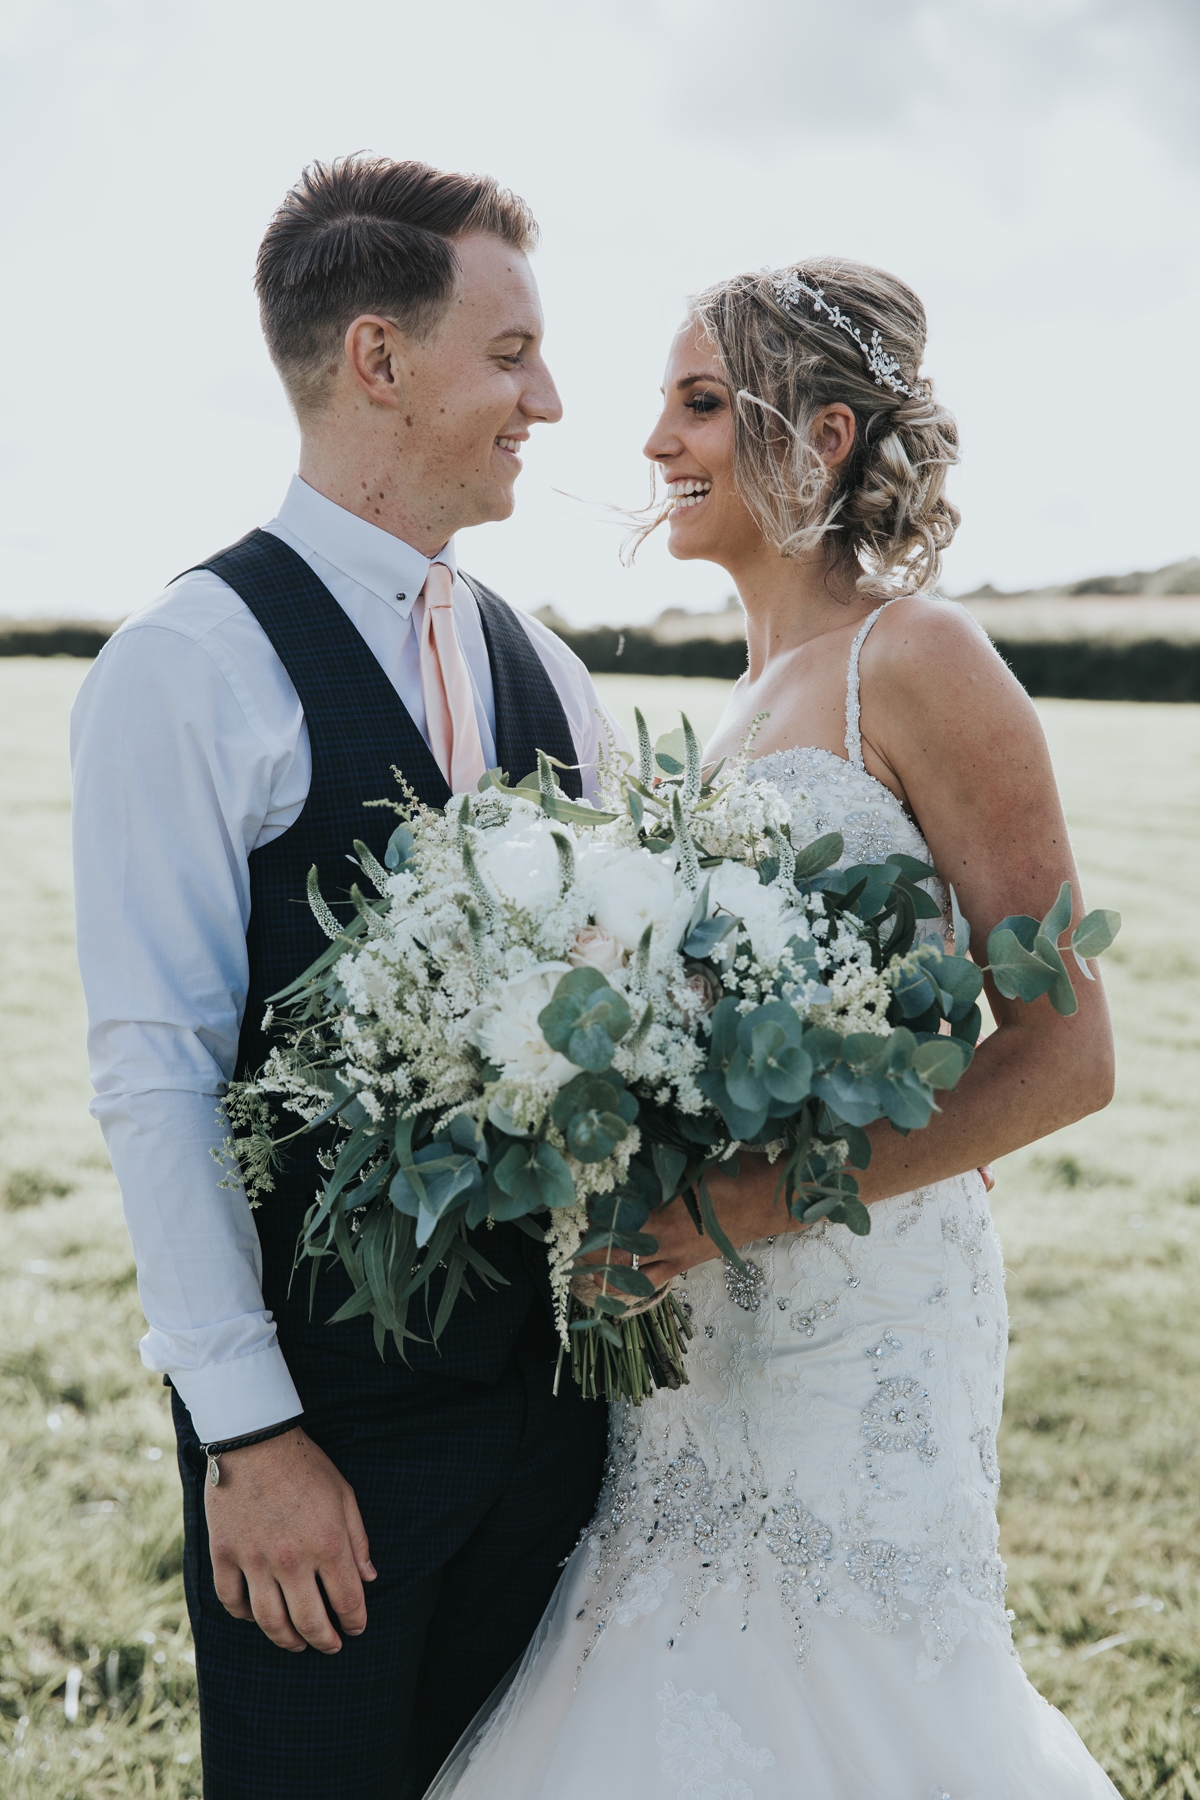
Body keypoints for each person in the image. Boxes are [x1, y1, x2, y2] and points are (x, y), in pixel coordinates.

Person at [425, 262, 1121, 1797]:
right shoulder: (735, 708)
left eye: (696, 405)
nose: (656, 445)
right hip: (696, 1328)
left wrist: (743, 1202)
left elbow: (1069, 1051)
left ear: (817, 432)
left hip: (852, 1314)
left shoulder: (918, 661)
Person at [70, 155, 620, 1800]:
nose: (553, 400)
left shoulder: (552, 667)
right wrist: (248, 1436)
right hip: (329, 1438)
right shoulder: (189, 667)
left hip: (560, 1425)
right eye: (511, 354)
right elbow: (154, 1070)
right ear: (378, 359)